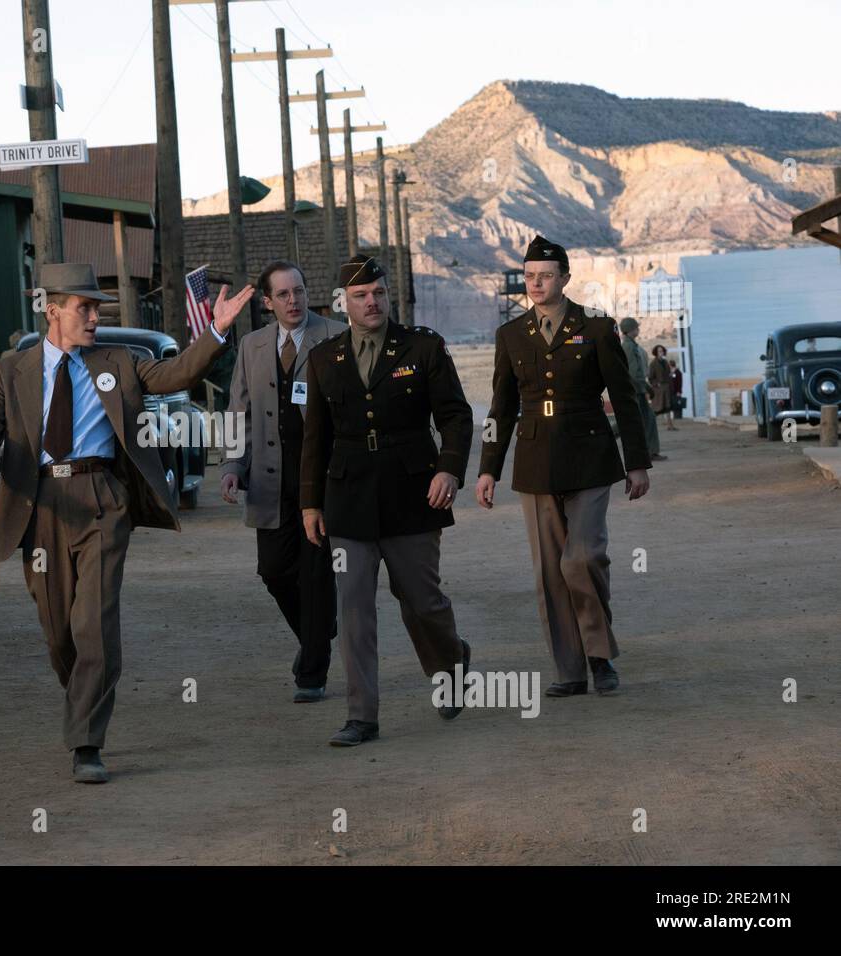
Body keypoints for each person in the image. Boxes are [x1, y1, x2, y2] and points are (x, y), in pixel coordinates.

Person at [0, 263, 252, 783]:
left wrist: (216, 331)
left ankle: (87, 743)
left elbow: (178, 374)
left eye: (98, 308)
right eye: (84, 308)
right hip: (39, 504)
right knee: (59, 633)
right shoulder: (12, 370)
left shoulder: (118, 360)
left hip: (102, 500)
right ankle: (84, 698)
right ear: (52, 310)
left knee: (94, 622)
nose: (95, 317)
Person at [300, 254, 474, 747]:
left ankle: (451, 663)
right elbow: (316, 437)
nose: (371, 302)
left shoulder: (423, 347)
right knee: (353, 609)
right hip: (348, 499)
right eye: (360, 296)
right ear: (344, 302)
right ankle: (362, 716)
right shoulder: (324, 358)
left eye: (378, 292)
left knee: (422, 601)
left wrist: (449, 469)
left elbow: (457, 417)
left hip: (414, 493)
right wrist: (310, 504)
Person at [475, 235, 652, 697]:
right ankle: (570, 670)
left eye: (546, 276)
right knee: (549, 571)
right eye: (530, 276)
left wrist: (637, 463)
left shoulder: (596, 327)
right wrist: (488, 468)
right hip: (535, 464)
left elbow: (625, 398)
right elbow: (501, 407)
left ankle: (600, 656)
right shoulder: (511, 334)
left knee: (583, 557)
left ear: (565, 279)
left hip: (590, 457)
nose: (536, 283)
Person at [220, 260, 345, 702]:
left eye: (300, 291)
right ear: (268, 302)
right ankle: (320, 630)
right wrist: (233, 466)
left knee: (315, 576)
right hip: (269, 479)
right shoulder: (252, 346)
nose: (294, 301)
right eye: (284, 295)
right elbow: (239, 412)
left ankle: (312, 672)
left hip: (321, 480)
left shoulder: (334, 335)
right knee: (273, 571)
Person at [620, 318, 666, 461]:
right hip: (636, 391)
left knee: (646, 420)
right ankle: (649, 453)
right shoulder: (628, 347)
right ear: (629, 330)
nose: (638, 330)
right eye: (635, 328)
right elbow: (633, 373)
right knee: (644, 421)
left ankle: (650, 452)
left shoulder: (632, 345)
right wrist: (645, 388)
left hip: (637, 389)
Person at [650, 345, 677, 431]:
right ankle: (650, 426)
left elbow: (668, 375)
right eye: (659, 351)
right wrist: (656, 384)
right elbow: (651, 377)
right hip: (659, 390)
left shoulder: (665, 362)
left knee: (668, 407)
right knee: (657, 409)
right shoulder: (653, 363)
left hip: (667, 388)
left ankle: (670, 425)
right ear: (656, 352)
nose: (661, 353)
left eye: (662, 351)